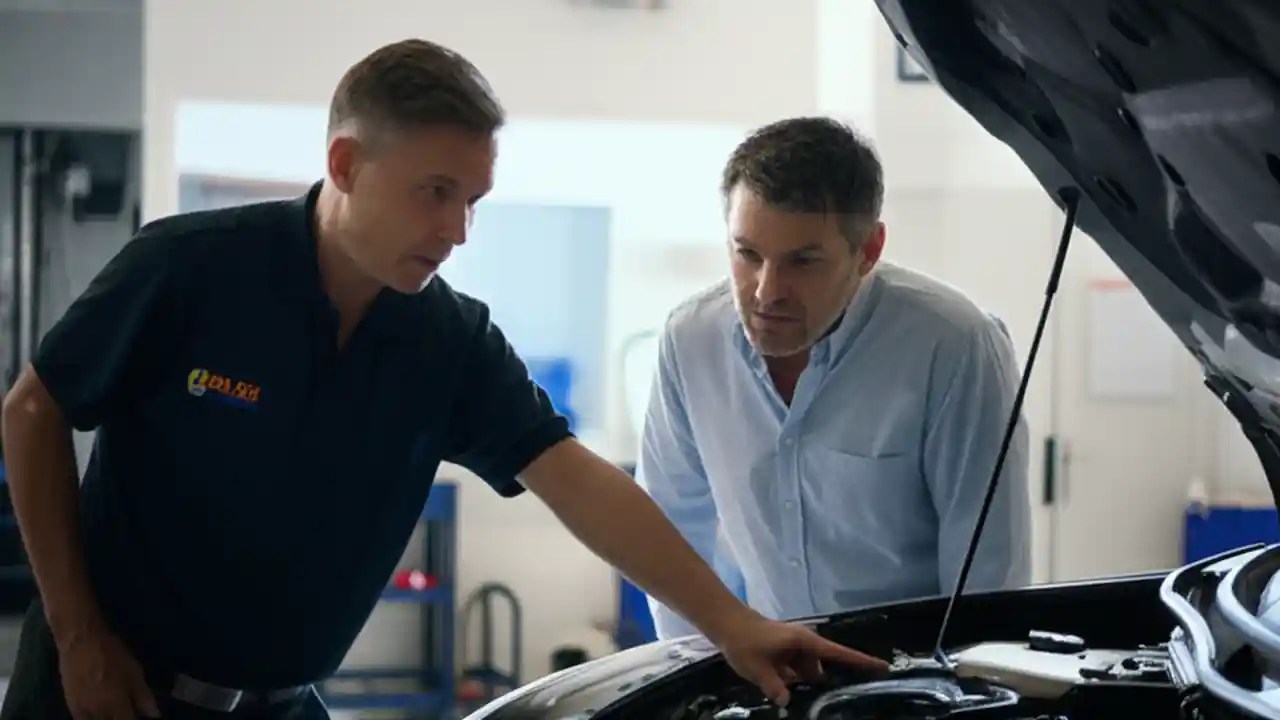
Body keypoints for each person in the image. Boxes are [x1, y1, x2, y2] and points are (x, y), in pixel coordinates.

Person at [0, 42, 887, 720]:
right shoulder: (188, 270)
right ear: (346, 166)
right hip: (101, 690)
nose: (459, 229)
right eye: (435, 193)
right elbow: (35, 408)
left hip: (274, 699)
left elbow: (573, 476)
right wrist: (77, 631)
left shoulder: (447, 339)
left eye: (474, 199)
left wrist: (732, 624)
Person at [637, 117, 1032, 640]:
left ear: (868, 250)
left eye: (802, 261)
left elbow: (988, 580)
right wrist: (692, 681)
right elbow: (673, 532)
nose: (765, 292)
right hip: (760, 675)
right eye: (747, 254)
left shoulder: (955, 347)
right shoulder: (691, 341)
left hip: (913, 686)